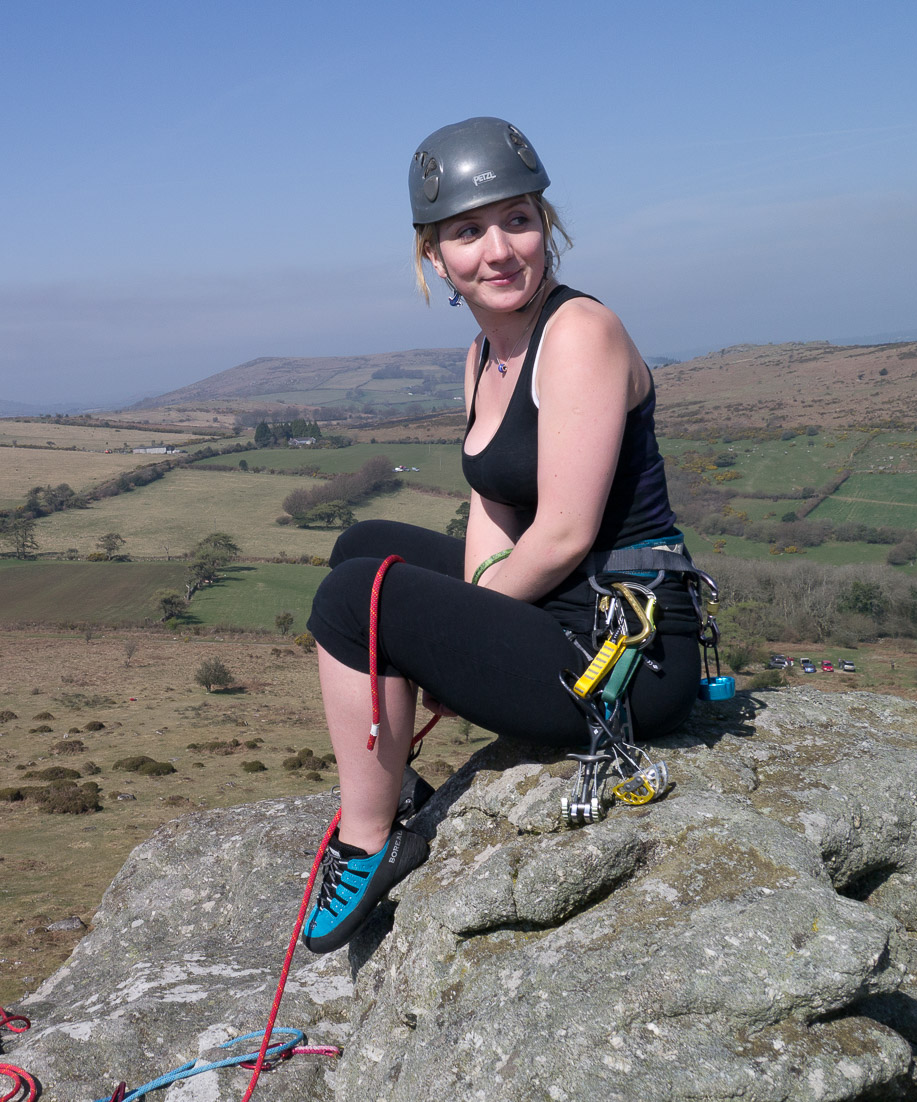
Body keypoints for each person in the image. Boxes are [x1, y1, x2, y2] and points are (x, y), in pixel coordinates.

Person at [300, 117, 700, 953]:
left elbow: (561, 535)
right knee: (363, 547)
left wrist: (466, 633)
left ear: (545, 223)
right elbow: (493, 505)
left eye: (517, 220)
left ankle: (370, 841)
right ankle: (394, 784)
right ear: (434, 255)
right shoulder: (486, 353)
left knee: (351, 600)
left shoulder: (579, 333)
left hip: (627, 654)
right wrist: (465, 627)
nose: (499, 250)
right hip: (558, 608)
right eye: (467, 231)